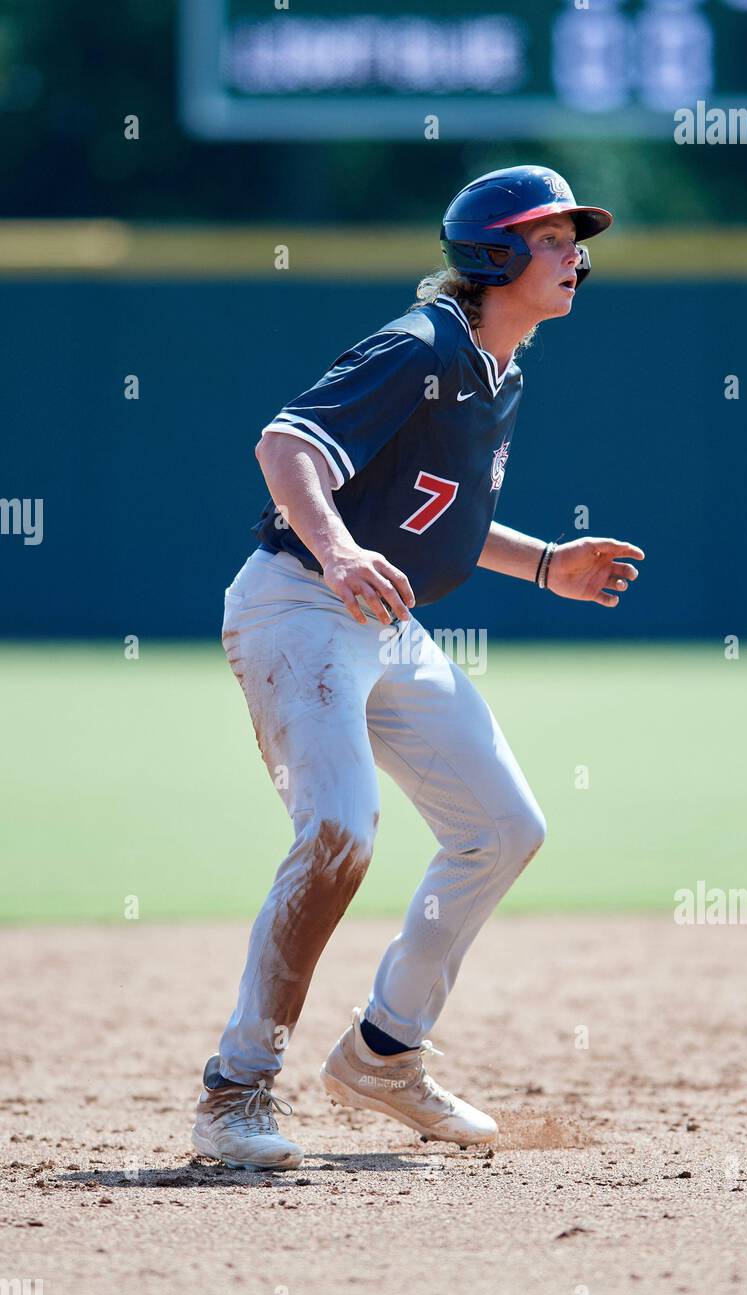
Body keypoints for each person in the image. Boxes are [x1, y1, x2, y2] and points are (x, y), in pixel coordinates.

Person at [191, 165, 644, 1170]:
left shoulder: (498, 370)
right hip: (301, 604)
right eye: (552, 238)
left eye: (576, 238)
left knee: (502, 827)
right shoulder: (422, 343)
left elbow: (441, 511)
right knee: (339, 829)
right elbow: (285, 445)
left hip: (381, 622)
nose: (575, 255)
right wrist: (341, 549)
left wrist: (541, 566)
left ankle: (385, 1052)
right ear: (493, 255)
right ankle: (235, 1089)